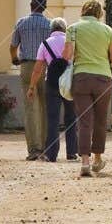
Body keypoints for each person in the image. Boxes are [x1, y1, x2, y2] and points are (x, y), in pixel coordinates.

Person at [63, 0, 112, 178]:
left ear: (83, 11)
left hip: (81, 78)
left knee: (84, 121)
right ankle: (97, 159)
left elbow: (67, 55)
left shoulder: (73, 28)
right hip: (103, 79)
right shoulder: (107, 30)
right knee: (100, 120)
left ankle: (84, 162)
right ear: (99, 14)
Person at [27, 17, 78, 163]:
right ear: (64, 28)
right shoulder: (71, 42)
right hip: (69, 82)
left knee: (53, 119)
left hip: (52, 83)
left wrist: (31, 87)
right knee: (71, 117)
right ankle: (72, 152)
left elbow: (38, 69)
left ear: (52, 29)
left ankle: (51, 154)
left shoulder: (45, 44)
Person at [9, 0, 52, 160]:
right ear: (45, 7)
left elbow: (13, 46)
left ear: (30, 5)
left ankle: (34, 149)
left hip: (27, 66)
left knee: (30, 107)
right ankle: (46, 147)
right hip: (46, 67)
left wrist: (15, 59)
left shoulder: (22, 23)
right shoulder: (49, 24)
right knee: (45, 107)